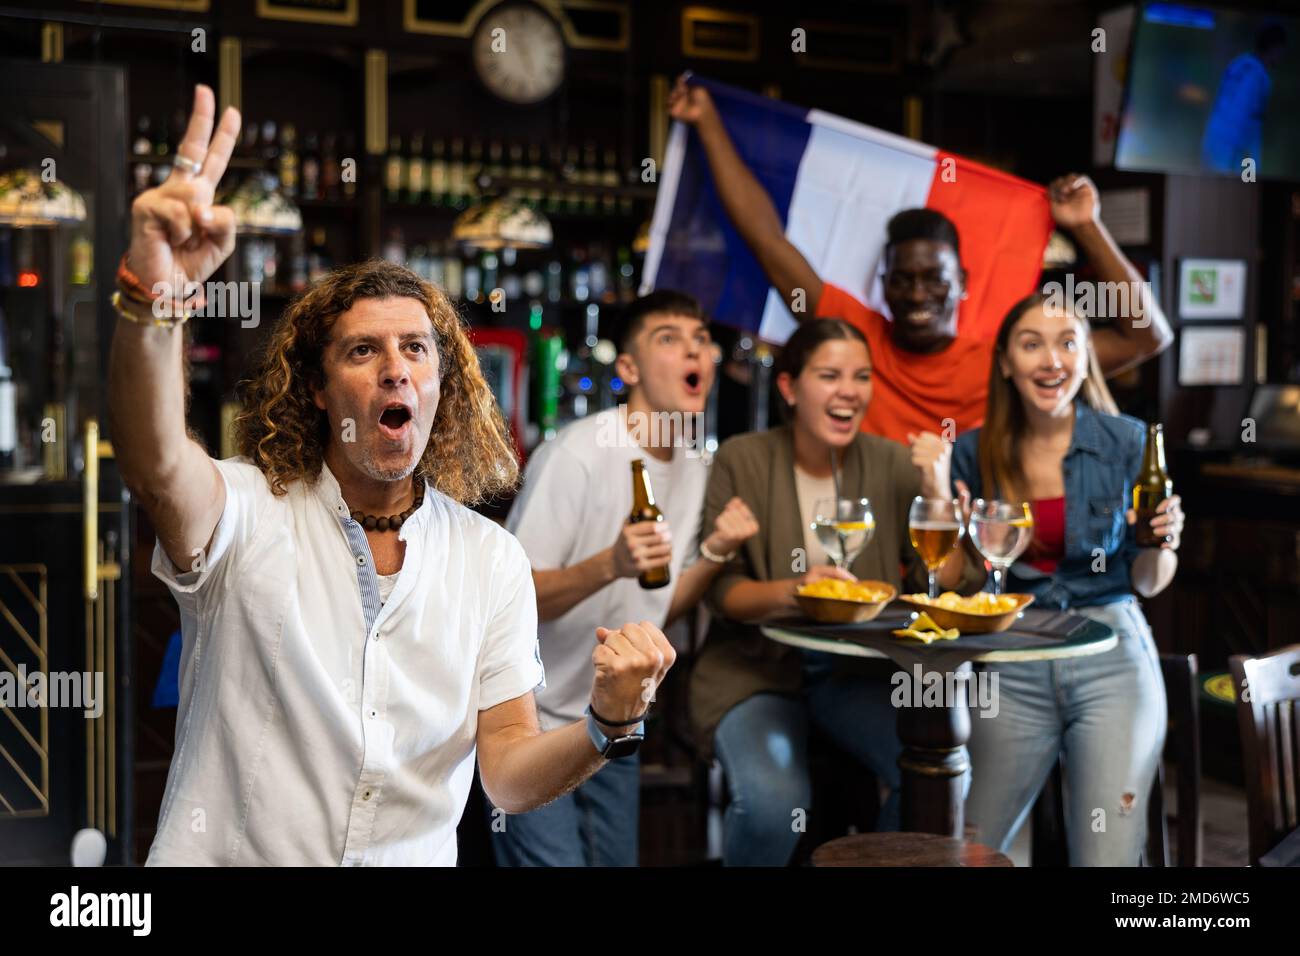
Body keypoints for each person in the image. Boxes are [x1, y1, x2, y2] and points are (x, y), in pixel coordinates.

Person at [110, 85, 675, 866]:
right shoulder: (244, 509)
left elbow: (508, 775)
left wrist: (606, 726)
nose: (395, 371)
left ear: (445, 385)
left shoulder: (489, 559)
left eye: (417, 350)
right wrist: (157, 302)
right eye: (361, 350)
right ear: (316, 387)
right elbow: (156, 461)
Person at [667, 75, 1173, 444]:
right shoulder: (853, 337)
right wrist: (709, 123)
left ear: (963, 284)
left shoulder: (1003, 358)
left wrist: (1087, 226)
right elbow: (768, 241)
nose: (916, 293)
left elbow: (1145, 337)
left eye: (935, 279)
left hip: (971, 565)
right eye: (903, 278)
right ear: (882, 283)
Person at [688, 318, 983, 866]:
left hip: (858, 672)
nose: (850, 390)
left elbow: (946, 587)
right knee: (775, 803)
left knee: (937, 773)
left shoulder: (894, 463)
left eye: (862, 376)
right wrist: (798, 591)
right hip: (758, 673)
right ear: (790, 387)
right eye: (830, 375)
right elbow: (723, 595)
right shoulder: (742, 458)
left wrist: (938, 495)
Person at [491, 290, 758, 866]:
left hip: (615, 719)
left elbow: (660, 606)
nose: (694, 349)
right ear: (629, 368)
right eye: (669, 337)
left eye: (701, 339)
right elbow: (507, 602)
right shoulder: (579, 454)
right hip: (530, 720)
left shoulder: (695, 465)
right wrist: (607, 565)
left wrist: (713, 552)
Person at [940, 292, 1185, 866]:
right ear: (1006, 362)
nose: (1052, 360)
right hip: (1012, 657)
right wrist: (942, 506)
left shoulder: (1128, 443)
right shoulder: (974, 452)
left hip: (1112, 653)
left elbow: (1149, 582)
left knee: (1108, 857)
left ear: (1085, 357)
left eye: (1067, 342)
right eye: (1032, 344)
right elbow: (959, 584)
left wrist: (1160, 540)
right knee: (970, 850)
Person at [1201, 22, 1287, 174]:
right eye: (1282, 49)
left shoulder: (1238, 63)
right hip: (1230, 150)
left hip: (1213, 141)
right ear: (1274, 47)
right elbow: (1249, 126)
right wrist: (1253, 171)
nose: (1282, 55)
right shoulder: (1259, 76)